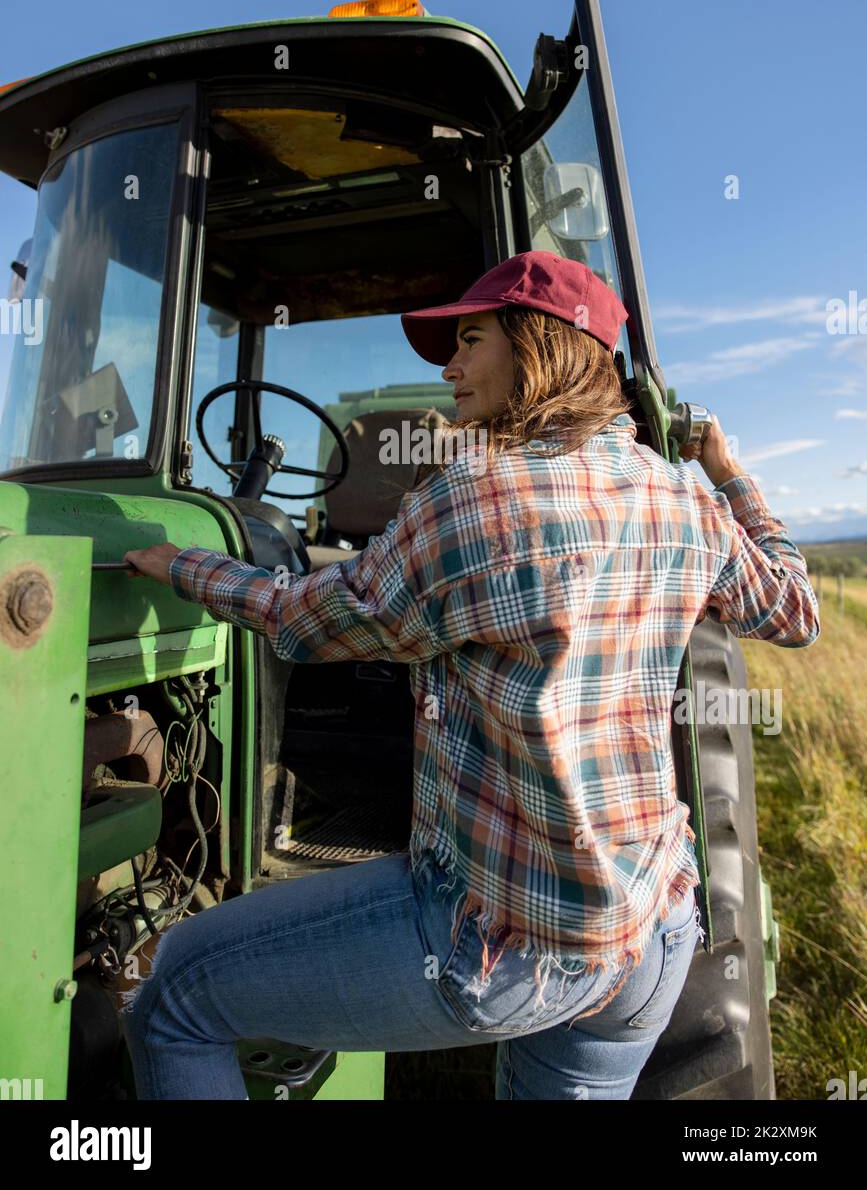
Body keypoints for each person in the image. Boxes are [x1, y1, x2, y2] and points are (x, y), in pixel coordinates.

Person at [121, 250, 819, 1101]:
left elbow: (305, 620)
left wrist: (183, 567)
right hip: (653, 933)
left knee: (176, 995)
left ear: (541, 344)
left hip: (507, 949)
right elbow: (793, 611)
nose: (449, 365)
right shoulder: (682, 498)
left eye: (470, 339)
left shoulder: (473, 494)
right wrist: (726, 470)